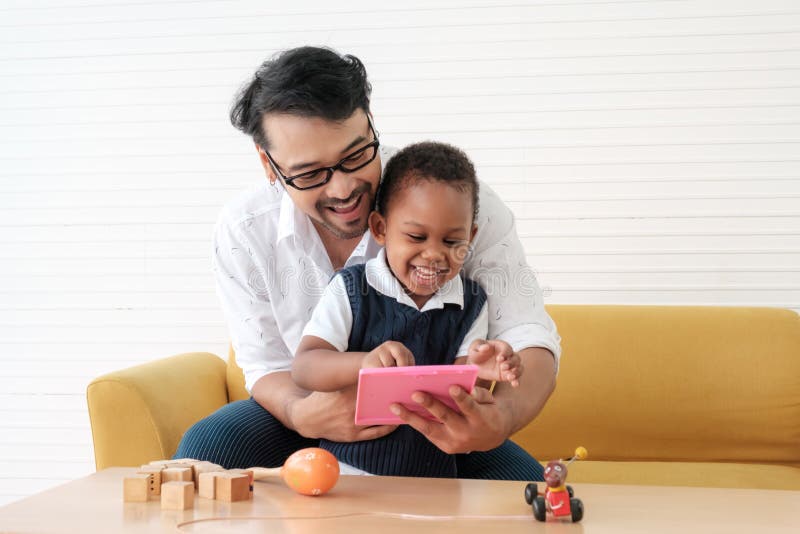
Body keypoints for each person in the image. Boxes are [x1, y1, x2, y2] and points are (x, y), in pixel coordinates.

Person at [175, 46, 561, 480]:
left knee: (529, 496)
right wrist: (302, 414)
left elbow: (528, 333)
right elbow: (266, 365)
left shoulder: (453, 203)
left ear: (370, 120)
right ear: (269, 165)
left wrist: (501, 417)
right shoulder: (245, 230)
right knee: (206, 451)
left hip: (427, 426)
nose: (342, 189)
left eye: (356, 155)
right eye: (308, 173)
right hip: (309, 411)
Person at [292, 141, 522, 477]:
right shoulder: (352, 289)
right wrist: (364, 363)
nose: (434, 254)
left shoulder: (470, 303)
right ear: (380, 229)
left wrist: (479, 371)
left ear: (470, 238)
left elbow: (461, 394)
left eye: (452, 241)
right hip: (349, 472)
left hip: (434, 478)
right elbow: (305, 366)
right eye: (416, 237)